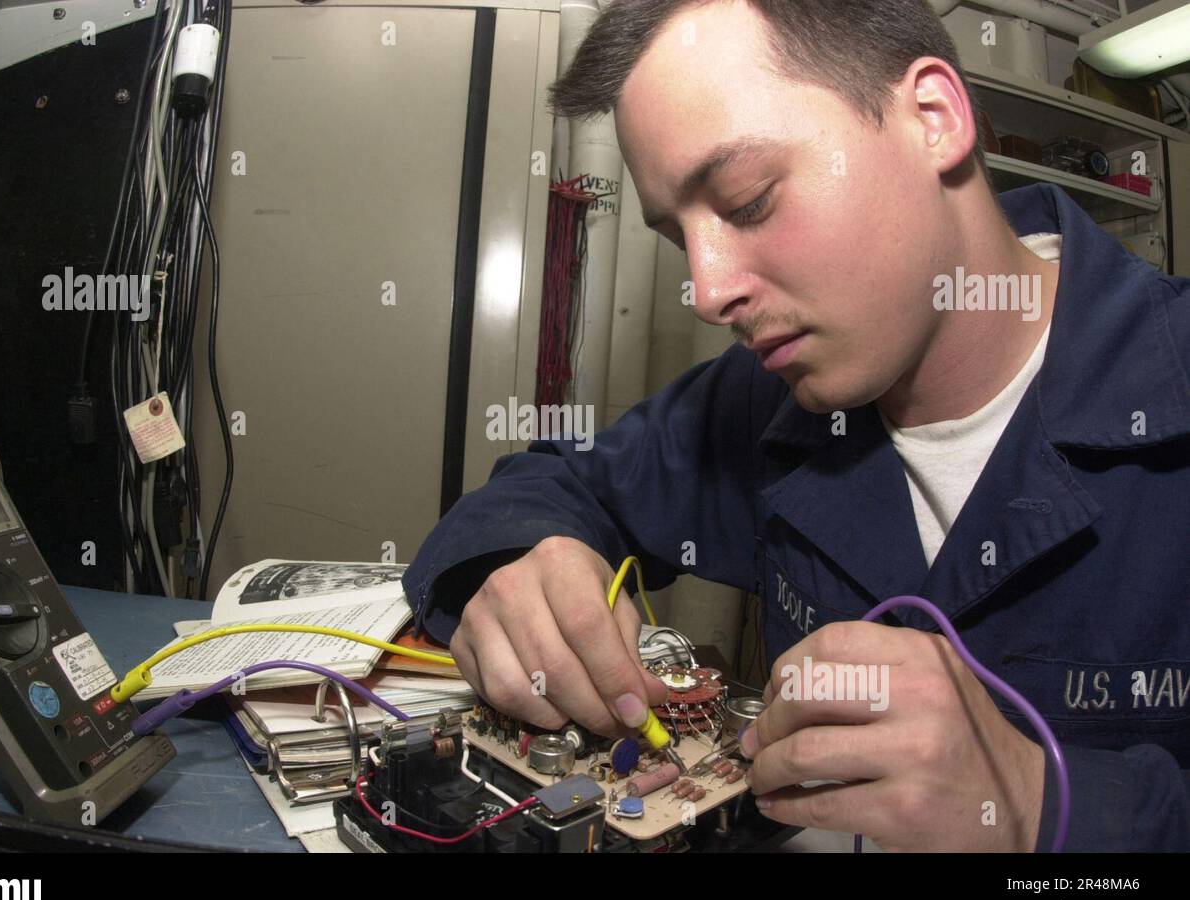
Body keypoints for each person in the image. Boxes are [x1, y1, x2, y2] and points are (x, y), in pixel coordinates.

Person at [403, 0, 1190, 851]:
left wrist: (1043, 805)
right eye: (678, 237)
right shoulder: (762, 400)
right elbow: (549, 483)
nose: (707, 293)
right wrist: (519, 563)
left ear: (934, 118)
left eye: (746, 201)